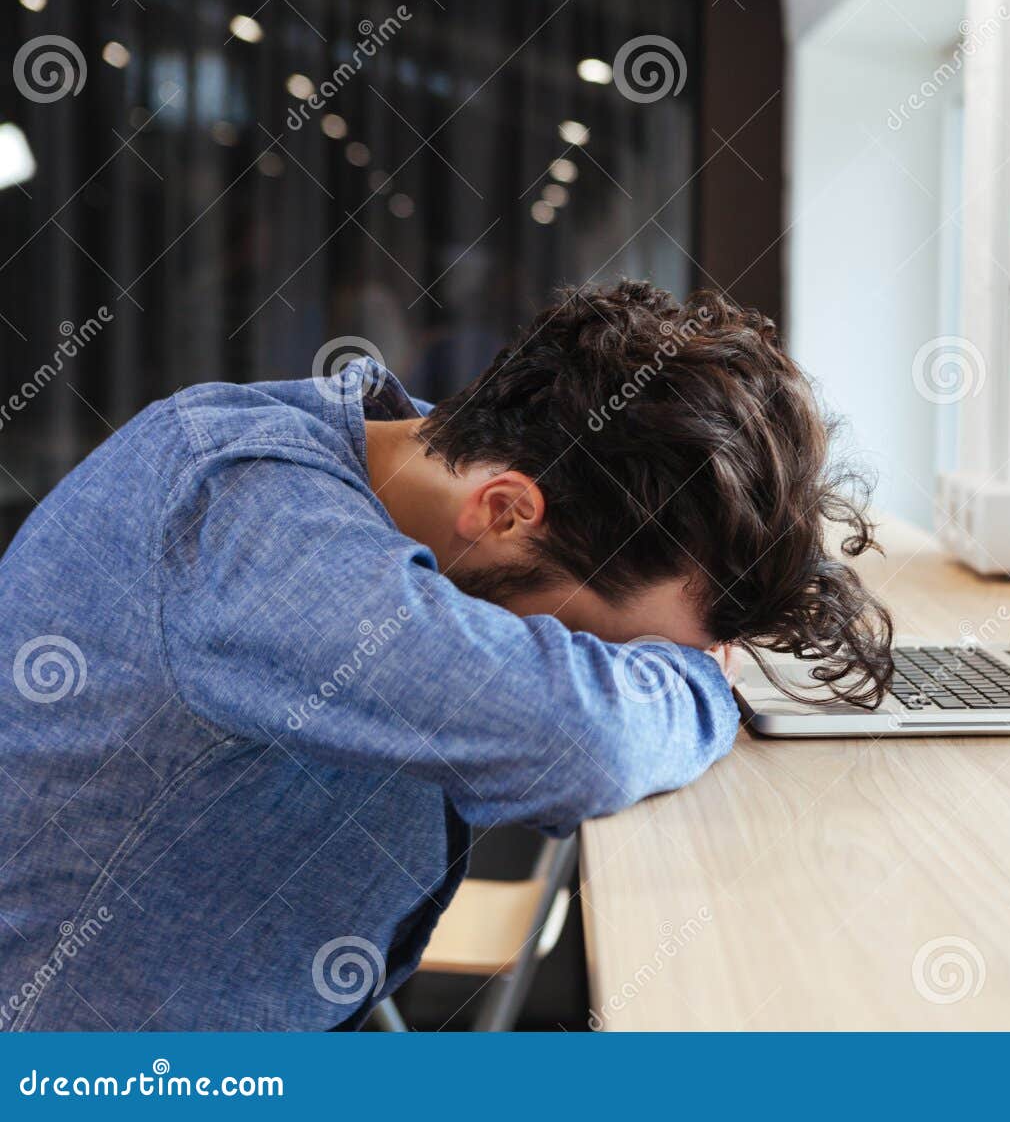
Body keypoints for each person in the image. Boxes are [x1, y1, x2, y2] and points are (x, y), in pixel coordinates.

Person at [0, 280, 891, 1030]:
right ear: (503, 512)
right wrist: (700, 683)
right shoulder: (248, 519)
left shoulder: (434, 463)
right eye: (619, 649)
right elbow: (577, 740)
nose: (615, 670)